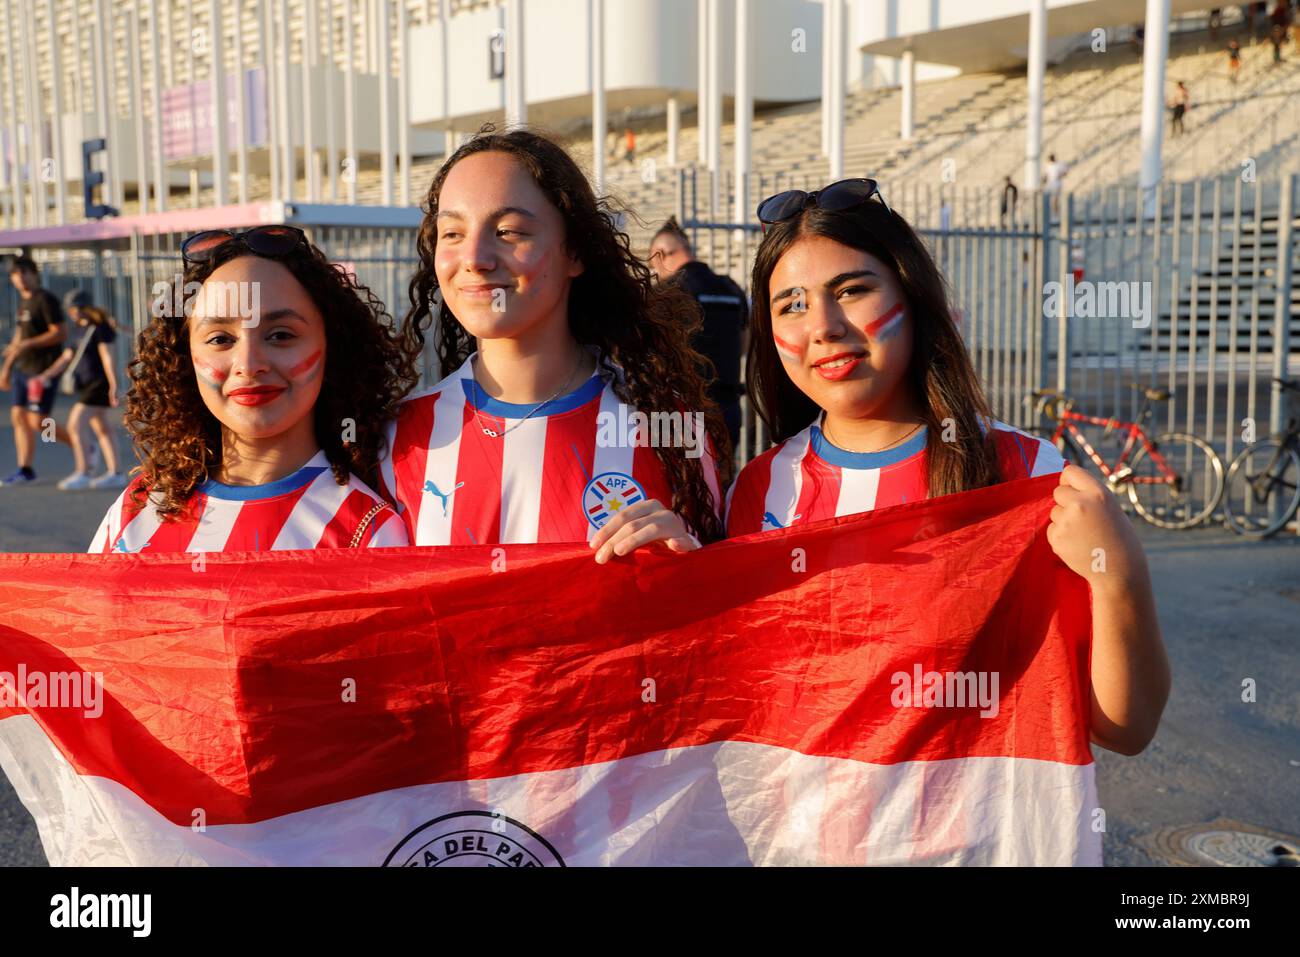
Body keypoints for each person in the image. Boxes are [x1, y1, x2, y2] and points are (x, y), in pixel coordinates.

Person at [725, 177, 1170, 756]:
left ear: (912, 298)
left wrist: (1121, 577)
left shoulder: (1027, 473)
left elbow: (1124, 729)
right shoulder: (758, 490)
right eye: (792, 304)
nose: (823, 325)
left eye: (852, 290)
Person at [391, 125, 729, 560]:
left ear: (575, 252)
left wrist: (688, 567)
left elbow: (728, 596)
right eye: (452, 233)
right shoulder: (396, 439)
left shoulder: (670, 428)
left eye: (509, 231)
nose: (474, 258)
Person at [89, 225, 416, 553]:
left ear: (335, 346)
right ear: (184, 358)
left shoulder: (368, 533)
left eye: (281, 335)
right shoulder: (135, 510)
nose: (248, 363)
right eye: (220, 339)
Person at [649, 216, 748, 450]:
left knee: (680, 471)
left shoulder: (665, 293)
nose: (654, 271)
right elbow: (744, 343)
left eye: (653, 263)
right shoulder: (730, 287)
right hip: (727, 406)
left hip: (681, 408)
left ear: (660, 255)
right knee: (723, 471)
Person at [33, 290, 127, 490]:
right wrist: (46, 375)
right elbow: (67, 357)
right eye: (70, 309)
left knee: (75, 425)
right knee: (102, 428)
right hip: (86, 385)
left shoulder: (100, 328)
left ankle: (83, 472)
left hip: (98, 385)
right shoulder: (78, 329)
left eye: (74, 308)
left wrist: (113, 384)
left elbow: (107, 356)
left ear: (85, 307)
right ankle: (116, 473)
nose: (71, 312)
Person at [0, 255, 72, 485]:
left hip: (43, 370)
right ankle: (25, 469)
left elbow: (60, 333)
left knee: (39, 422)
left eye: (24, 273)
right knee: (18, 416)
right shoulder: (23, 304)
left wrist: (28, 343)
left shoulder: (46, 299)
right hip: (23, 369)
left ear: (34, 274)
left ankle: (81, 445)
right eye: (15, 274)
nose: (20, 278)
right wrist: (6, 368)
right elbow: (19, 337)